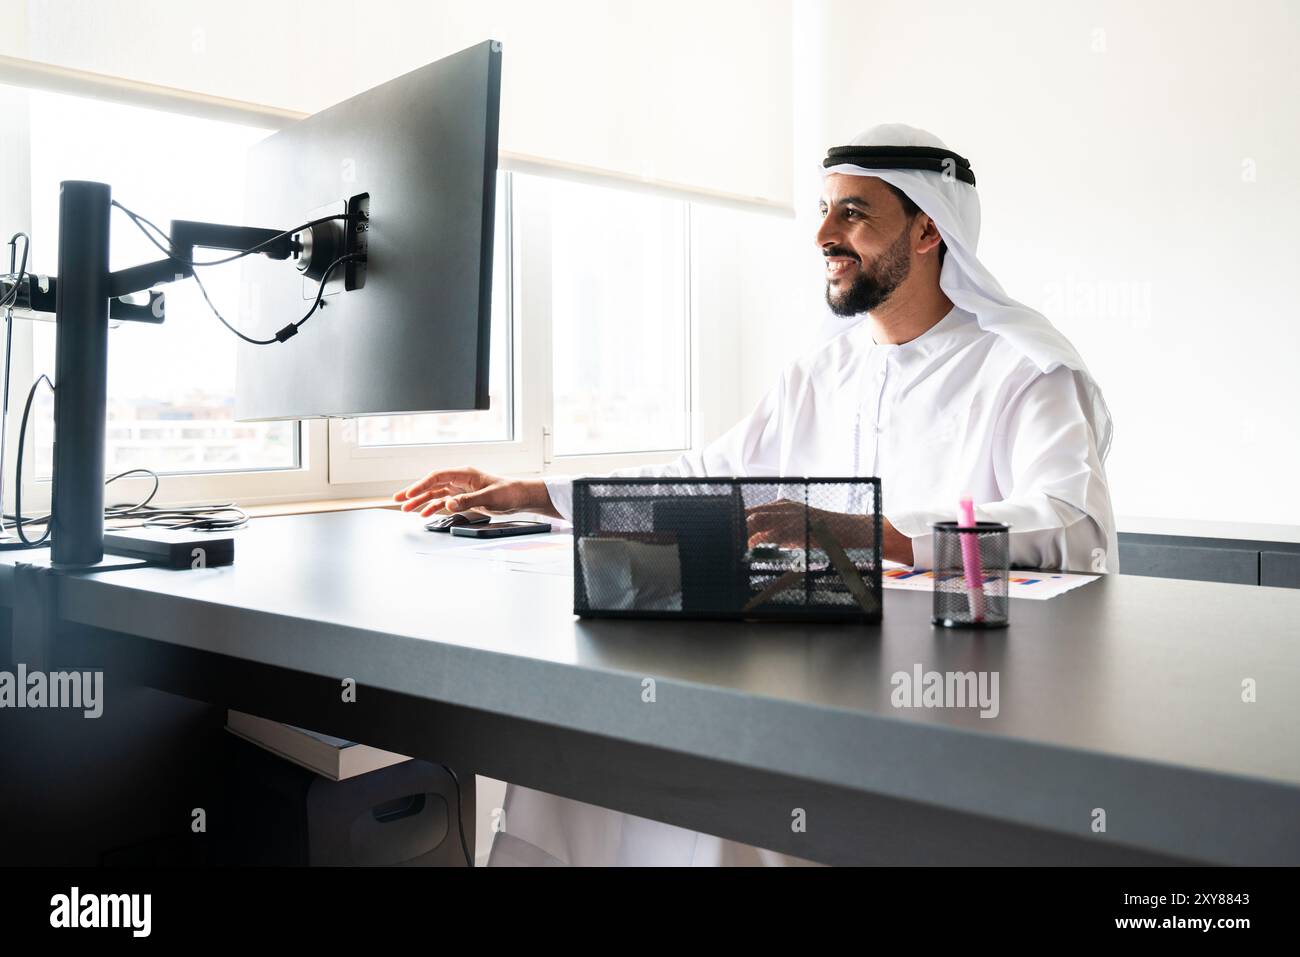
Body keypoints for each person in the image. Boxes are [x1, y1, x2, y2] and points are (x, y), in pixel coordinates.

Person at [393, 124, 1117, 865]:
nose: (824, 236)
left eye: (854, 214)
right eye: (824, 210)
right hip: (809, 660)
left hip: (948, 695)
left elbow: (1073, 525)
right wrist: (533, 492)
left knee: (728, 785)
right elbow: (706, 479)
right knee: (586, 740)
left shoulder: (1025, 368)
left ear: (929, 230)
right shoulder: (821, 371)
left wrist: (875, 532)